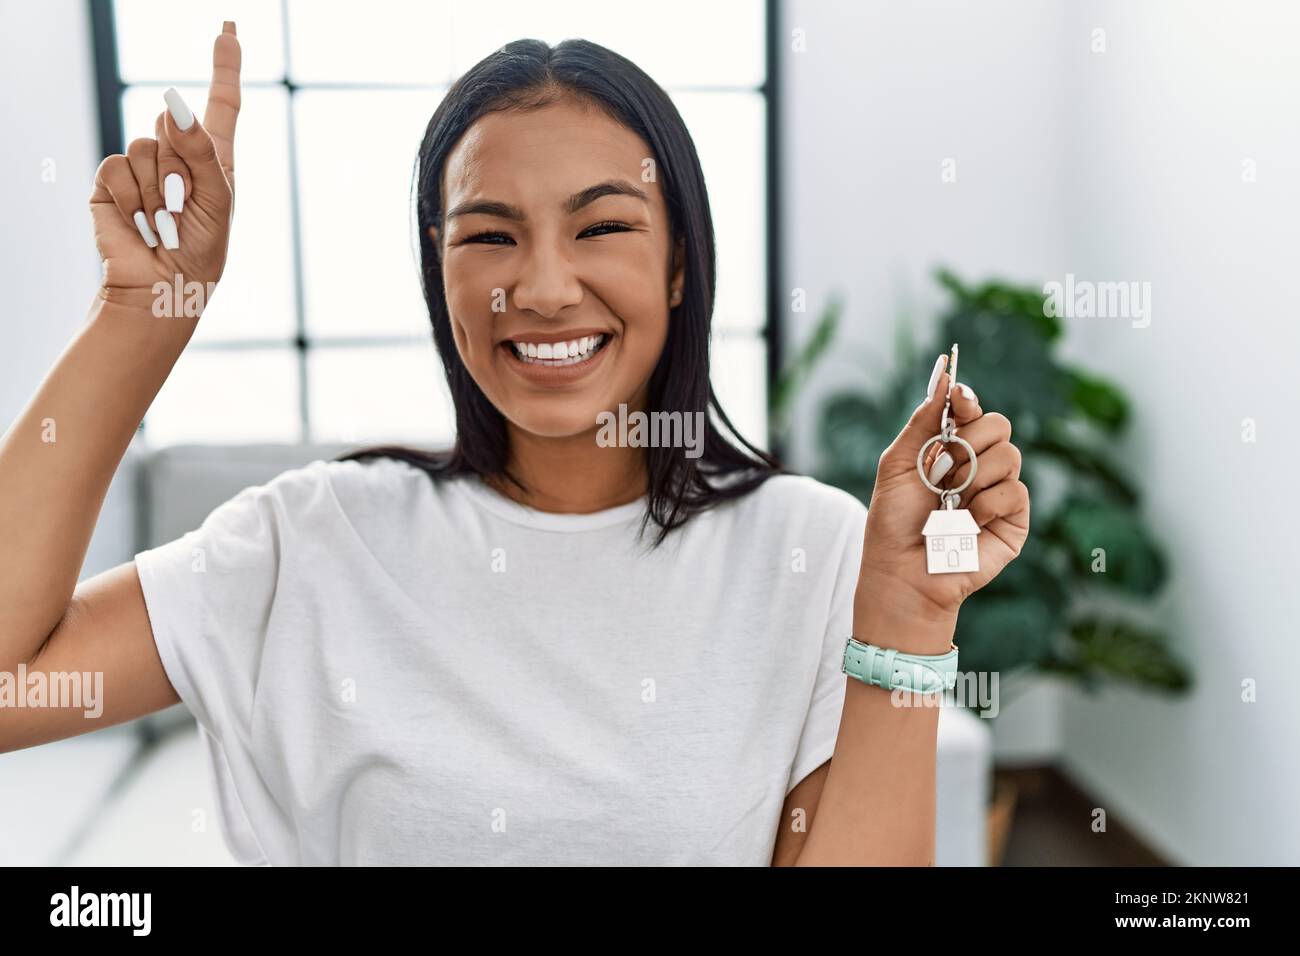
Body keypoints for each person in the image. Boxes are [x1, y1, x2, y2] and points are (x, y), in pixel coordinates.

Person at [0, 23, 1029, 865]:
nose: (540, 287)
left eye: (601, 227)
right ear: (436, 268)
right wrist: (141, 311)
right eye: (488, 233)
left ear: (679, 264)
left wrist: (904, 617)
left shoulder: (807, 548)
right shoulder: (309, 539)